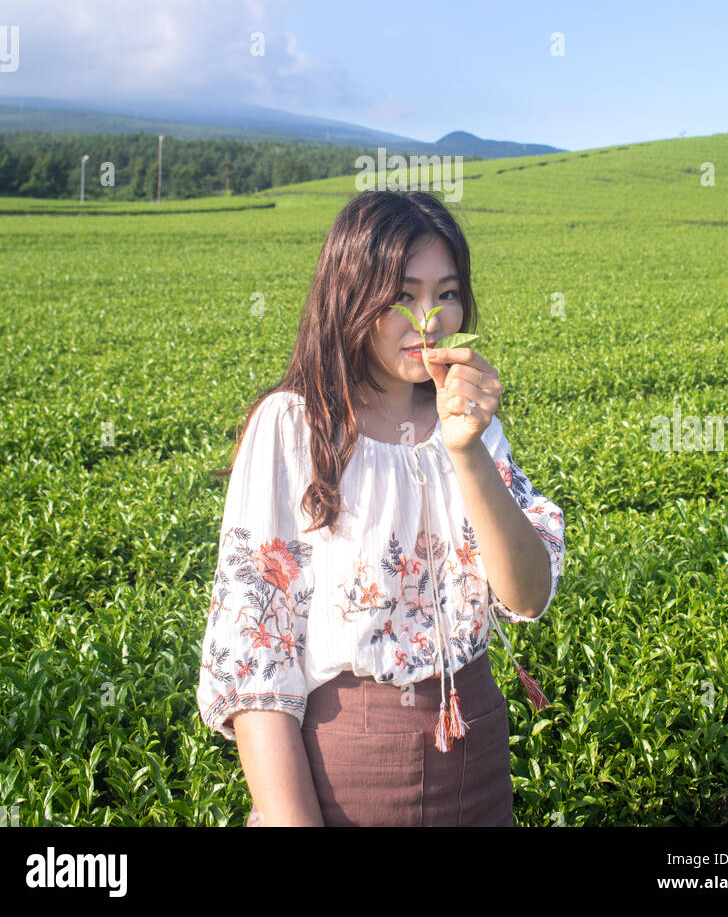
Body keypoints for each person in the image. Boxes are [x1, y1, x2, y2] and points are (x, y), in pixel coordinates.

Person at [196, 188, 565, 827]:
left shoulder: (473, 425)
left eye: (446, 294)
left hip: (475, 756)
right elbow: (255, 654)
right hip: (347, 768)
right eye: (402, 295)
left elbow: (528, 595)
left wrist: (467, 449)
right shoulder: (295, 428)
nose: (430, 320)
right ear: (350, 296)